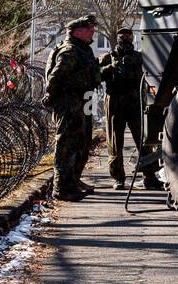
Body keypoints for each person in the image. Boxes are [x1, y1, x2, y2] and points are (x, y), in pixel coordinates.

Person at [41, 15, 101, 201]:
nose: (92, 32)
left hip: (81, 101)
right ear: (77, 31)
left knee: (80, 143)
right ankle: (61, 188)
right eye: (89, 29)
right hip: (68, 103)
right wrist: (50, 96)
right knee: (66, 145)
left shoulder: (82, 49)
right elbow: (56, 76)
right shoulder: (70, 51)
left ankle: (72, 182)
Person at [99, 27, 162, 191]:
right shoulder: (108, 57)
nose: (125, 38)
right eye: (122, 35)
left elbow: (151, 75)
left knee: (143, 140)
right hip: (114, 102)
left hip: (134, 102)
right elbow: (95, 75)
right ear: (117, 38)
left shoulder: (139, 57)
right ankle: (119, 178)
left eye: (128, 36)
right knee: (115, 142)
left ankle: (149, 176)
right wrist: (108, 69)